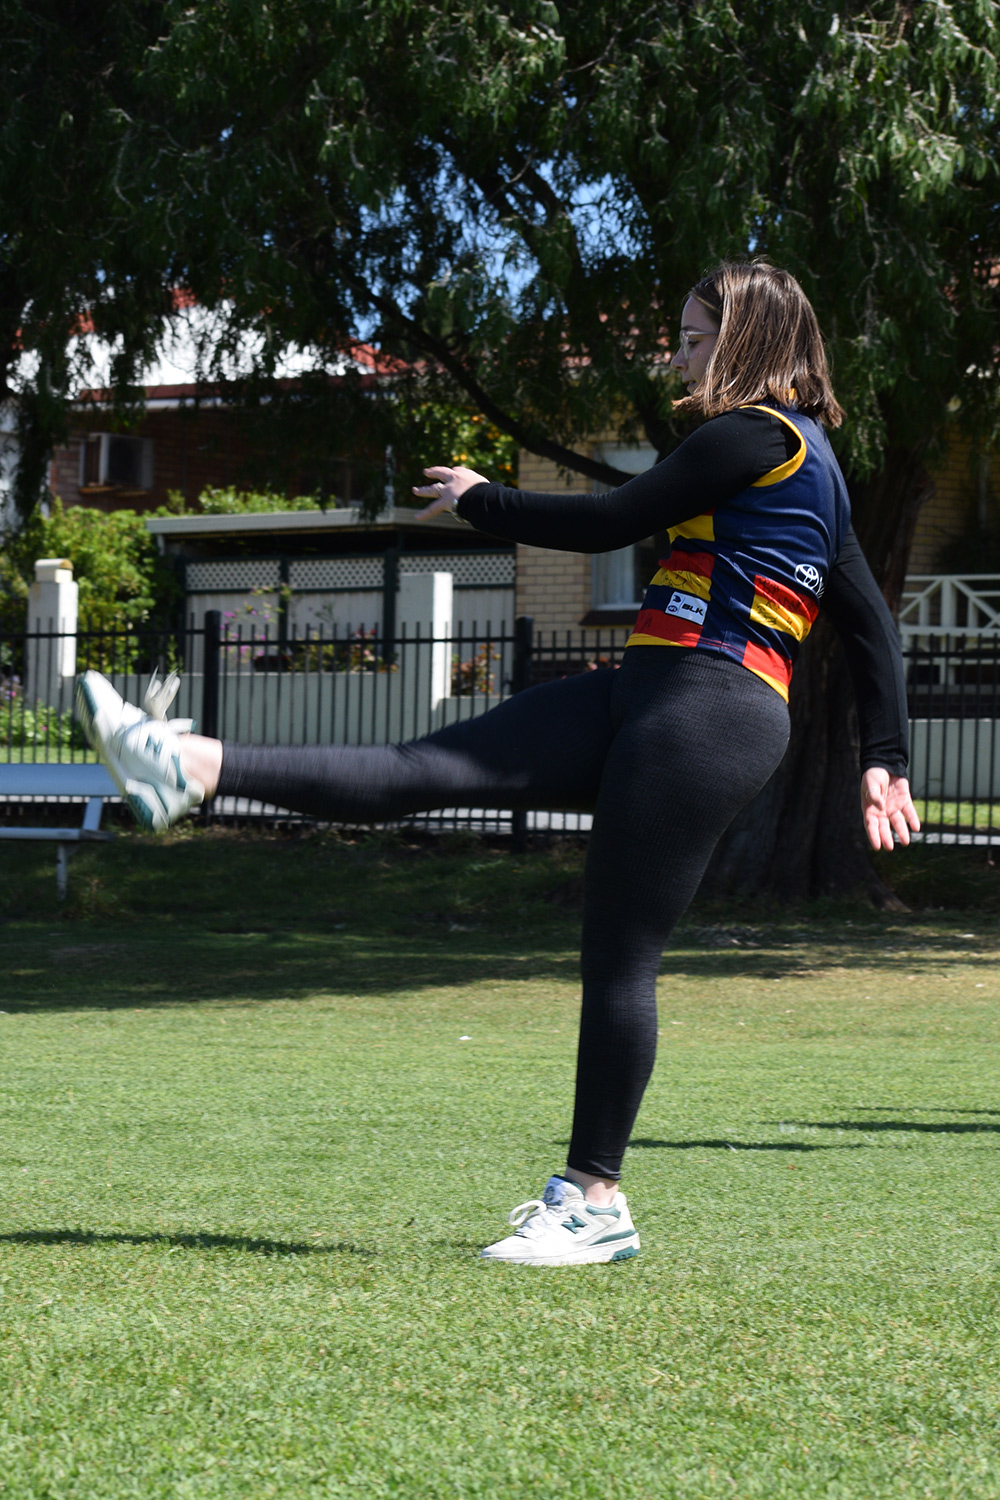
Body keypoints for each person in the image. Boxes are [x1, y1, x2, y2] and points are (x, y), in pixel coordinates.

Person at [76, 260, 919, 1267]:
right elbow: (868, 622)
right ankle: (190, 765)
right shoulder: (804, 460)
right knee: (422, 772)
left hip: (713, 709)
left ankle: (593, 1198)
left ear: (744, 344)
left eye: (697, 337)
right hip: (648, 691)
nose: (679, 353)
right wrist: (885, 756)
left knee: (617, 955)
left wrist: (485, 501)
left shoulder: (755, 436)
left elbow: (615, 520)